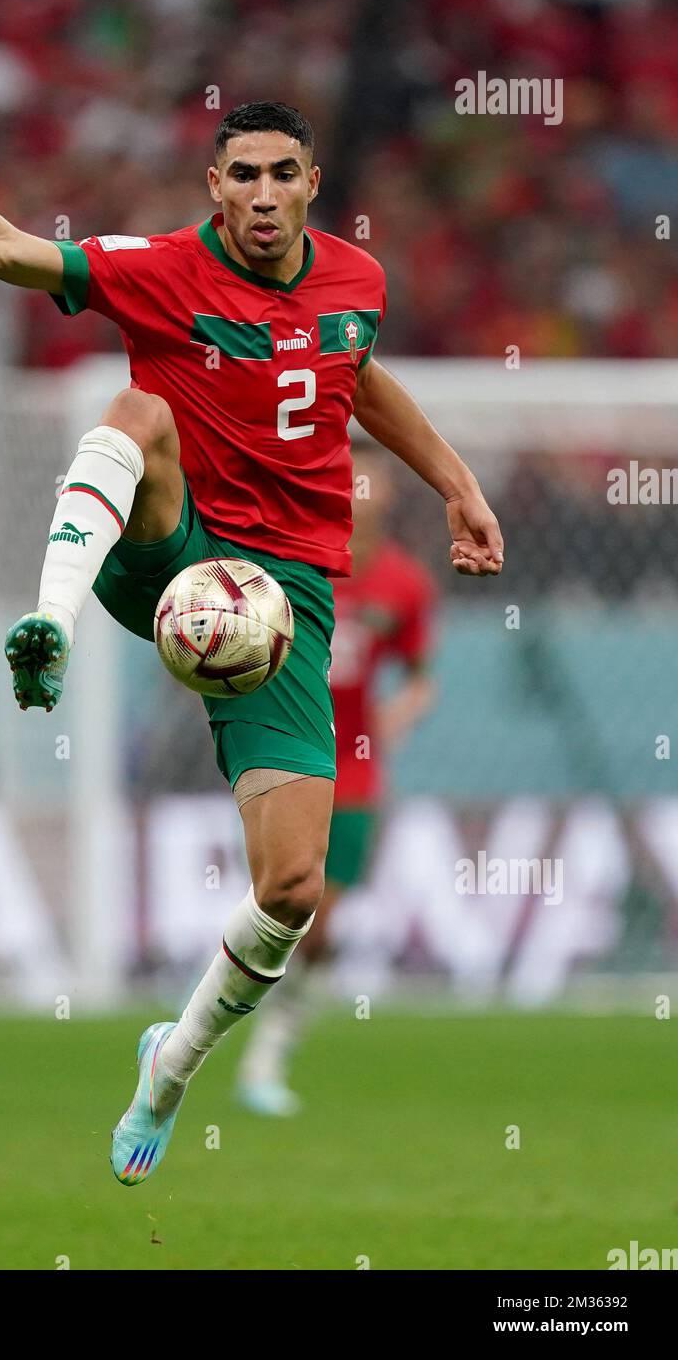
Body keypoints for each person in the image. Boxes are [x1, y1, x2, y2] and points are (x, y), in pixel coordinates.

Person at [0, 96, 504, 1186]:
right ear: (212, 188)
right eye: (241, 175)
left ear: (313, 186)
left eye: (281, 174)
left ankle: (168, 1065)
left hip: (284, 607)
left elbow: (356, 376)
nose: (261, 193)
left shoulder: (353, 287)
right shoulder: (163, 270)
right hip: (173, 557)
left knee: (292, 888)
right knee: (137, 413)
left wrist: (455, 483)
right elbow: (2, 248)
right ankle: (50, 616)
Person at [237, 442, 438, 1115]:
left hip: (353, 765)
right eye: (349, 475)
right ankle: (223, 1016)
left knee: (319, 923)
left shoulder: (405, 584)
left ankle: (269, 1048)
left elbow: (420, 678)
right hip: (288, 746)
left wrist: (399, 713)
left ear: (388, 491)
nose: (360, 487)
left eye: (371, 477)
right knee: (281, 903)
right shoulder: (296, 560)